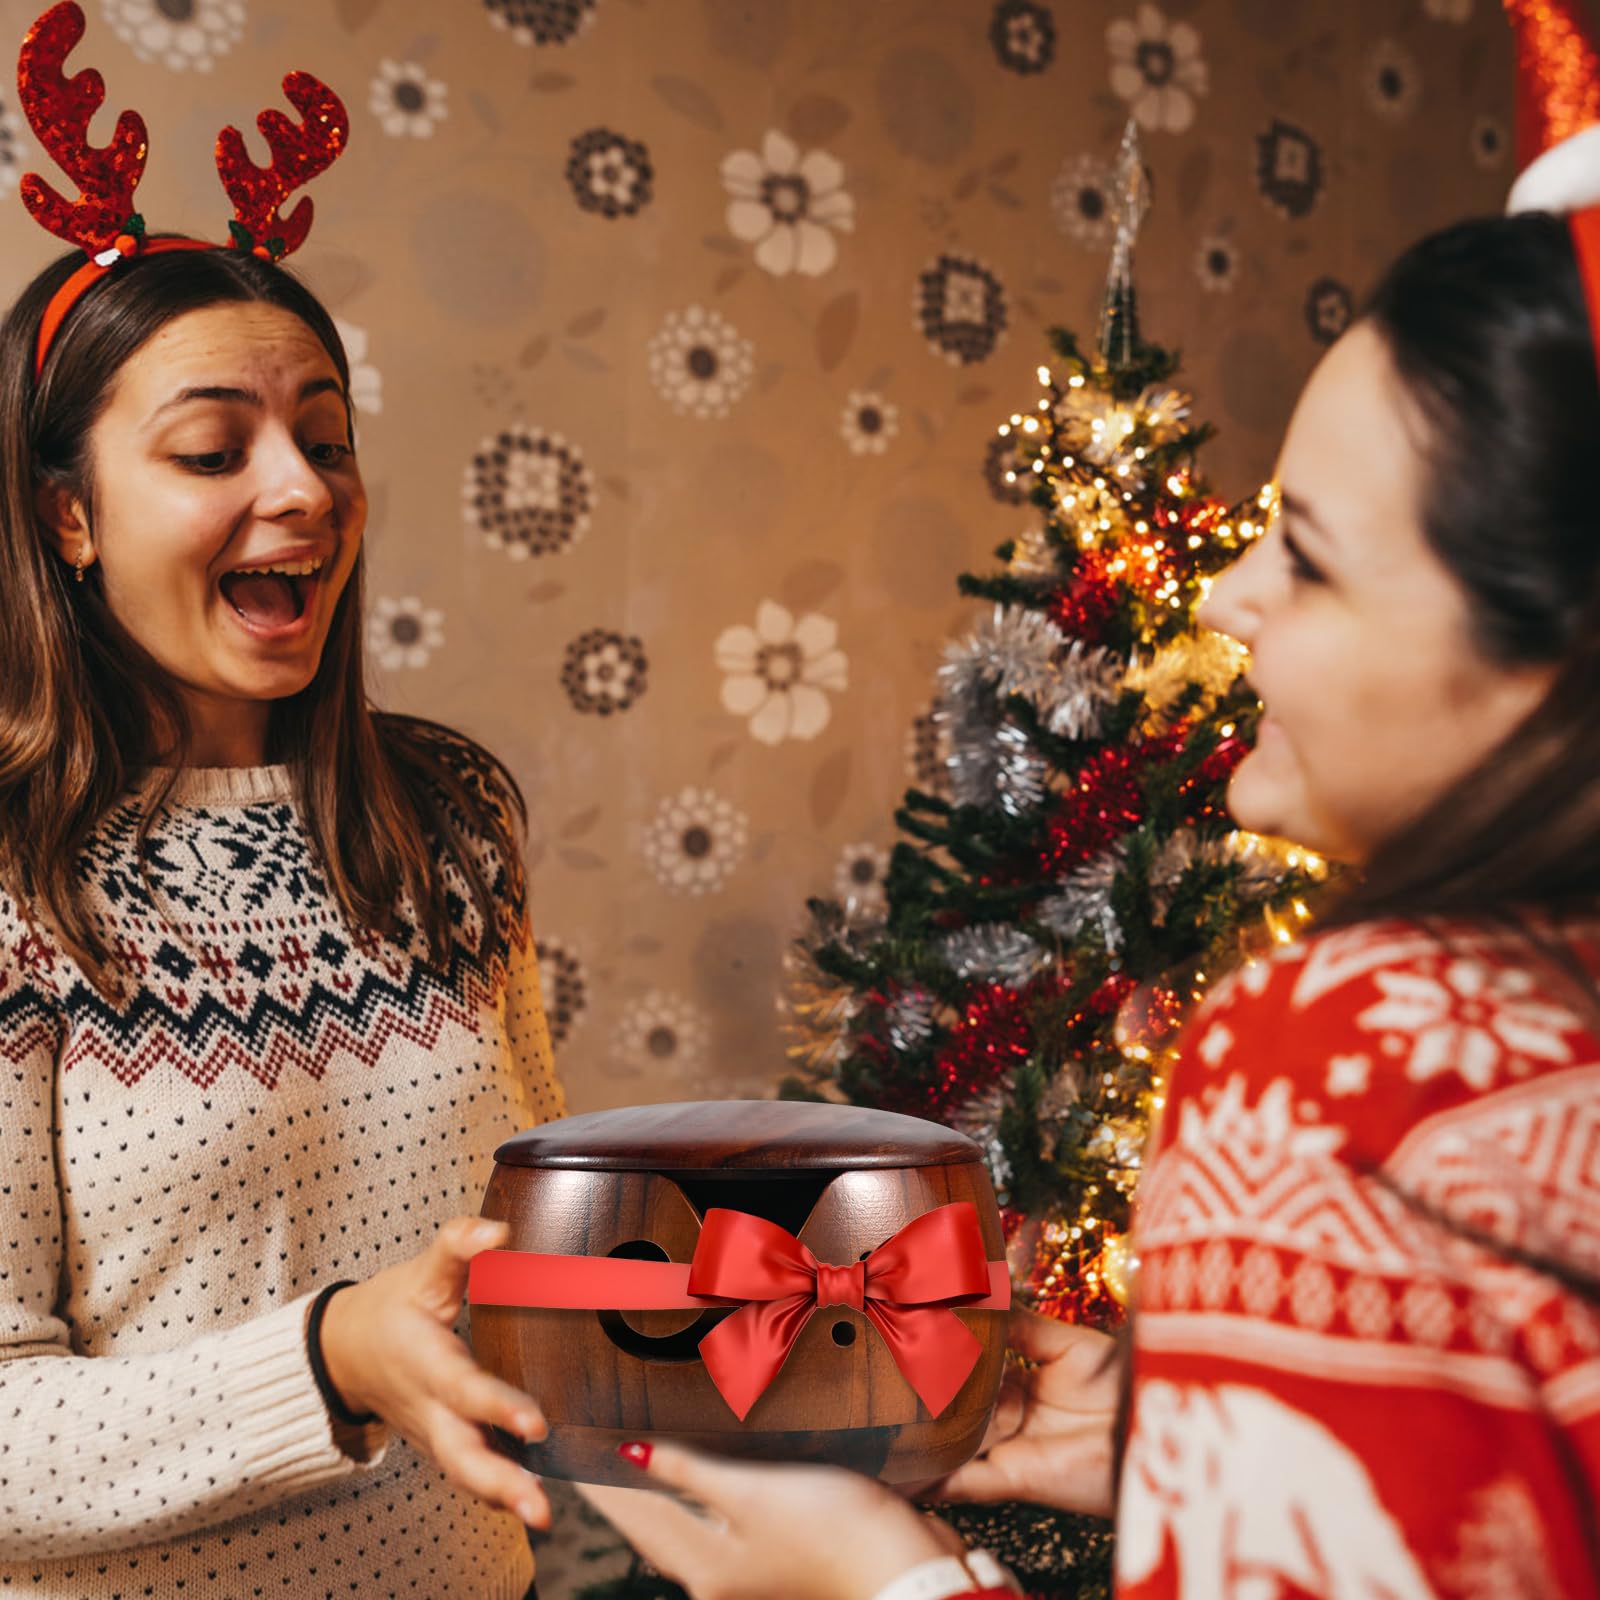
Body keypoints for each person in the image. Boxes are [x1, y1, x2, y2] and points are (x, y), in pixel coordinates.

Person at [573, 131, 1600, 1600]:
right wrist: (1183, 1448)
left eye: (1304, 556)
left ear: (1551, 667)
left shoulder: (1335, 1070)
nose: (1233, 601)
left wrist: (881, 1583)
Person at [0, 8, 562, 1597]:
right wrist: (328, 1362)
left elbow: (525, 1223)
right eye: (211, 448)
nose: (304, 491)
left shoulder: (445, 820)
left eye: (324, 438)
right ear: (68, 516)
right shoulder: (11, 880)